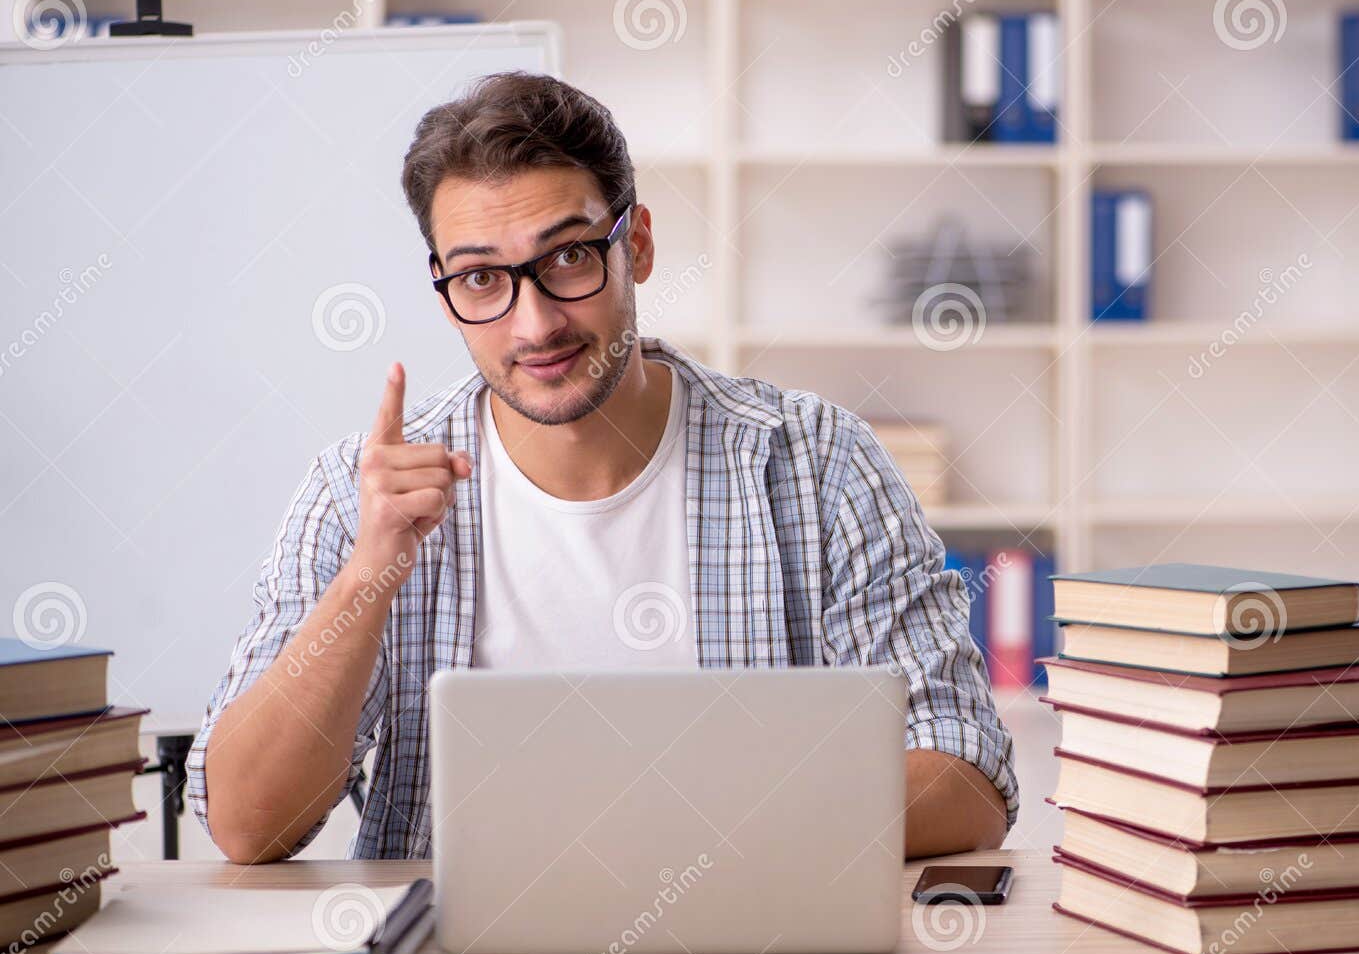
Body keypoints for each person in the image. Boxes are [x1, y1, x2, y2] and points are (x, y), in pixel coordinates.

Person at [187, 72, 1017, 864]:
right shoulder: (357, 496)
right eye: (482, 278)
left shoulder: (817, 464)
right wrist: (368, 578)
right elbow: (247, 826)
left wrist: (676, 841)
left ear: (638, 246)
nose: (535, 322)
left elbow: (967, 779)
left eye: (570, 258)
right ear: (445, 296)